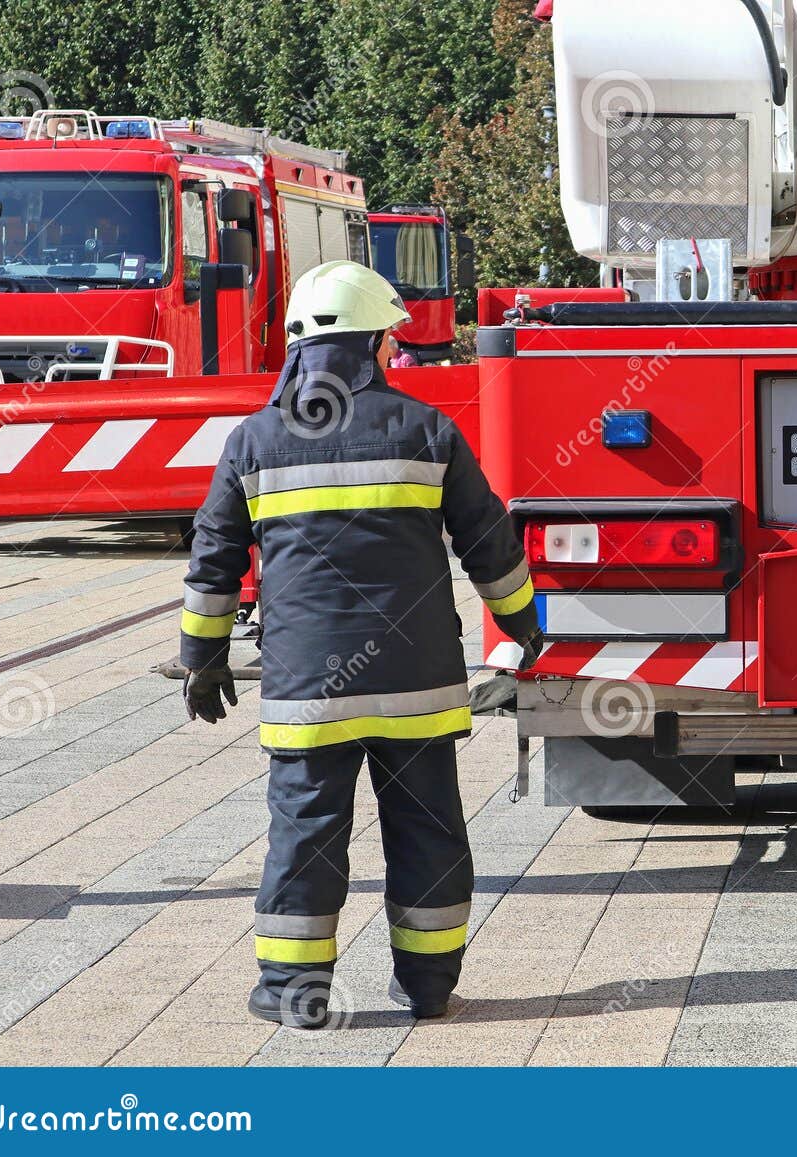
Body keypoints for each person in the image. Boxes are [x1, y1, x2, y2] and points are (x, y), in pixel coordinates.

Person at [178, 260, 544, 1028]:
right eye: (390, 342)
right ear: (376, 342)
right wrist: (522, 625)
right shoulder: (426, 429)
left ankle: (293, 993)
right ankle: (428, 987)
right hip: (417, 683)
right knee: (428, 830)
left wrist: (202, 657)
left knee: (307, 835)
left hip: (308, 689)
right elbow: (490, 542)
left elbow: (214, 556)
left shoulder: (255, 440)